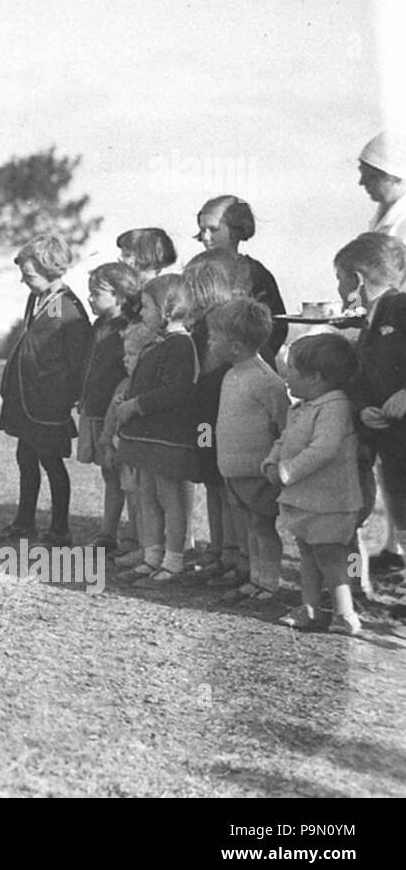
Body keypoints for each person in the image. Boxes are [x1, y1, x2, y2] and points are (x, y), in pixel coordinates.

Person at [0, 235, 92, 546]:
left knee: (51, 461)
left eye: (29, 275)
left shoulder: (68, 308)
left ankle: (60, 530)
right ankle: (24, 523)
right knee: (25, 456)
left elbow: (78, 360)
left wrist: (67, 397)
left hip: (49, 402)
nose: (24, 282)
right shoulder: (38, 299)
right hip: (27, 398)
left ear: (51, 269)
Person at [265, 334, 364, 635]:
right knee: (308, 552)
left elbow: (324, 449)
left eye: (291, 370)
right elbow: (284, 438)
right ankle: (310, 608)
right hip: (307, 500)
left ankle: (346, 612)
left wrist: (288, 471)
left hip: (330, 501)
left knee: (331, 556)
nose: (286, 376)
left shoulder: (333, 407)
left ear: (314, 377)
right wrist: (271, 461)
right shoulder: (304, 406)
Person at [112, 274, 199, 585]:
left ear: (167, 308)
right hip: (147, 437)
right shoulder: (157, 345)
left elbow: (177, 391)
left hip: (166, 437)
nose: (143, 313)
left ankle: (173, 561)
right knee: (147, 495)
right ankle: (151, 556)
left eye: (148, 306)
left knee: (169, 497)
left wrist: (136, 406)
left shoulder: (180, 345)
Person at [207, 298, 290, 605]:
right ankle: (255, 578)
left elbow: (285, 424)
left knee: (262, 527)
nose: (210, 343)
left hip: (258, 472)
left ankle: (268, 584)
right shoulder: (230, 375)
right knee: (250, 528)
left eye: (215, 338)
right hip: (233, 471)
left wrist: (277, 463)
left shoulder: (266, 381)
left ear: (237, 345)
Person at [337, 232, 406, 588]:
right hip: (393, 442)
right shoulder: (370, 323)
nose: (338, 287)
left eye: (339, 279)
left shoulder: (400, 306)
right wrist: (364, 409)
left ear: (357, 280)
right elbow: (362, 381)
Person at [181, 250, 252, 580]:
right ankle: (218, 549)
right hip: (203, 420)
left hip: (224, 419)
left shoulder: (226, 327)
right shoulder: (198, 330)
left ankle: (237, 554)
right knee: (211, 481)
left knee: (227, 488)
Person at [355, 130, 406, 577]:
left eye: (369, 175)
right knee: (395, 468)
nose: (363, 184)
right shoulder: (387, 215)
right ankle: (394, 547)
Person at [76, 262, 140, 550]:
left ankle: (135, 536)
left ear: (120, 295)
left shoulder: (129, 329)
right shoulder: (98, 326)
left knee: (126, 475)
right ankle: (108, 533)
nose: (90, 298)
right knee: (108, 472)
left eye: (97, 293)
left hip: (115, 412)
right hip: (94, 409)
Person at [194, 195, 287, 366]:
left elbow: (277, 325)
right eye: (202, 230)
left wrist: (248, 357)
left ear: (235, 229)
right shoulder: (196, 270)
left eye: (213, 230)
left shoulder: (255, 273)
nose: (206, 237)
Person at [104, 322, 154, 566]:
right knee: (133, 501)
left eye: (131, 355)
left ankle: (150, 547)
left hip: (140, 454)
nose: (125, 360)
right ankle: (137, 544)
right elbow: (110, 418)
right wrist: (107, 444)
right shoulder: (123, 385)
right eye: (125, 354)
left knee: (147, 502)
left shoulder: (148, 389)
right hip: (123, 454)